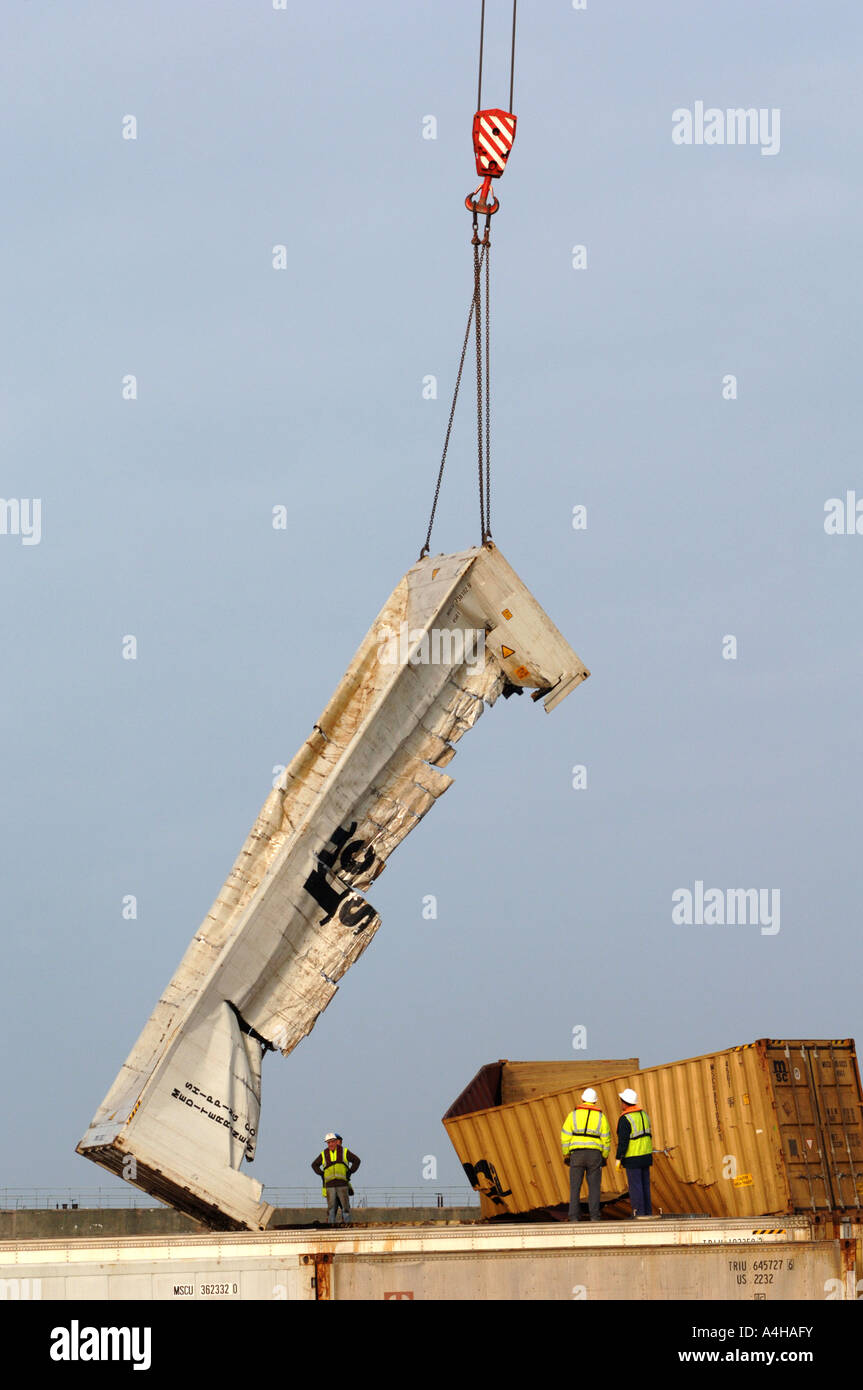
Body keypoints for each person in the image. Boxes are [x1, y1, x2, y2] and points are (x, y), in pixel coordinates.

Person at [560, 1088, 611, 1222]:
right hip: (595, 1155)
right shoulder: (601, 1117)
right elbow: (606, 1138)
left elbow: (565, 1135)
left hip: (577, 1154)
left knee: (575, 1187)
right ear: (595, 1101)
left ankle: (574, 1217)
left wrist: (566, 1154)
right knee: (594, 1188)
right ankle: (594, 1217)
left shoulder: (573, 1115)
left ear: (582, 1099)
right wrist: (604, 1156)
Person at [615, 1088, 653, 1218]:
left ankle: (638, 1213)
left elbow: (623, 1141)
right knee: (645, 1186)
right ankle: (647, 1212)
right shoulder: (644, 1115)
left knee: (635, 1187)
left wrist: (619, 1158)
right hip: (646, 1156)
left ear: (625, 1103)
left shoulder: (625, 1118)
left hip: (633, 1157)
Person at [311, 1132, 361, 1225]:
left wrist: (349, 1172)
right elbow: (314, 1165)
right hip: (330, 1186)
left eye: (332, 1142)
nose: (330, 1144)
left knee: (345, 1208)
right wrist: (322, 1174)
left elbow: (357, 1161)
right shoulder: (324, 1153)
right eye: (328, 1142)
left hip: (342, 1184)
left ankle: (347, 1226)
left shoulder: (344, 1151)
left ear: (336, 1142)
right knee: (331, 1209)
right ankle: (330, 1227)